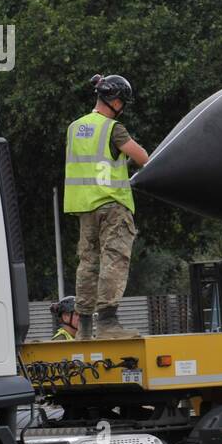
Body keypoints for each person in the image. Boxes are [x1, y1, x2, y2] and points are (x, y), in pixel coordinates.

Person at [64, 74, 151, 340]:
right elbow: (143, 158)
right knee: (114, 259)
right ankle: (108, 323)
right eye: (122, 102)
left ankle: (86, 329)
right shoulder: (114, 129)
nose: (122, 107)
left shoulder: (75, 128)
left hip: (85, 206)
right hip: (113, 205)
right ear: (114, 100)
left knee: (88, 263)